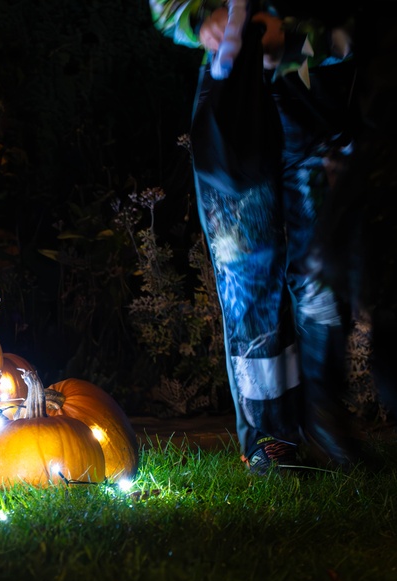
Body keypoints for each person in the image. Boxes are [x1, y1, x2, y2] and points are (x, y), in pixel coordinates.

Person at [149, 1, 376, 473]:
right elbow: (167, 6)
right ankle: (270, 437)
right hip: (234, 102)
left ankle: (325, 419)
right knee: (247, 280)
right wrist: (200, 20)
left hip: (322, 107)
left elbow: (373, 27)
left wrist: (296, 38)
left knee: (323, 273)